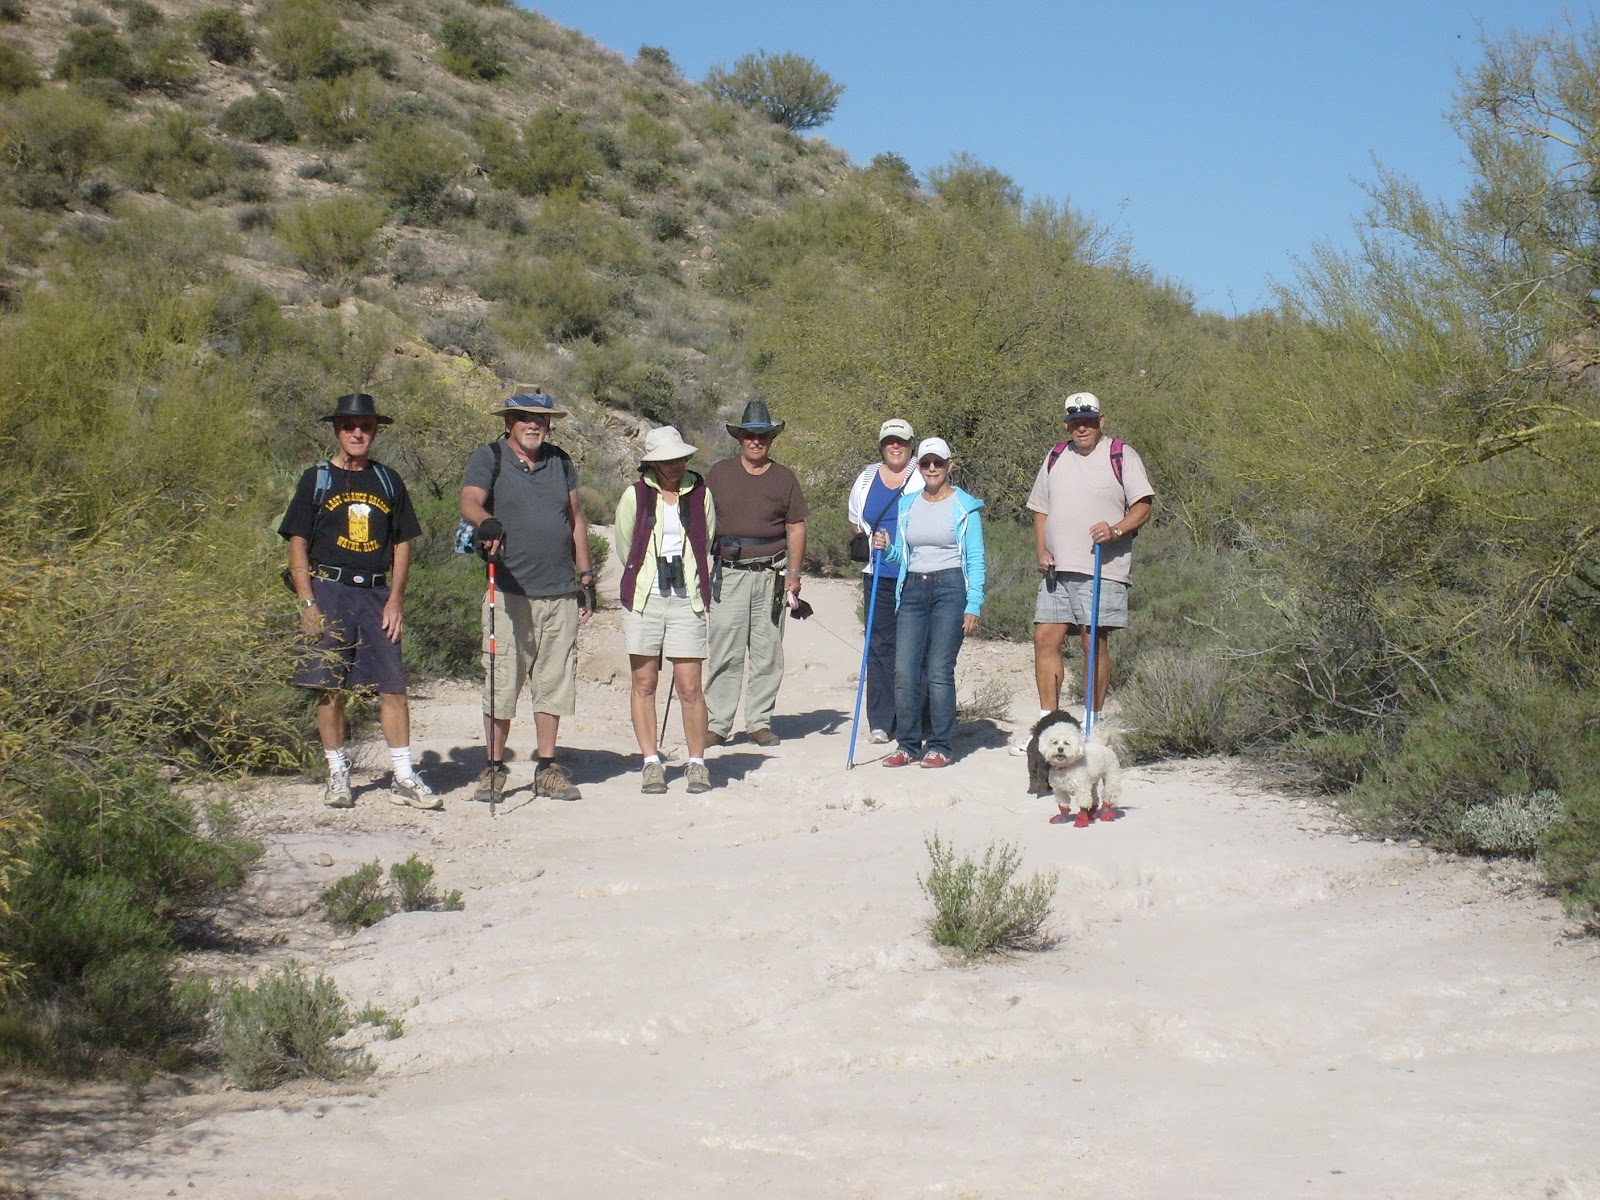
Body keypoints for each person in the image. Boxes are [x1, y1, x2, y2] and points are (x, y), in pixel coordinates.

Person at [279, 393, 437, 810]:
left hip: (375, 592)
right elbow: (297, 543)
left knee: (392, 686)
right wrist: (306, 604)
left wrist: (396, 600)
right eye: (349, 426)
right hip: (327, 590)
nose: (357, 433)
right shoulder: (316, 480)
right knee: (327, 686)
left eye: (365, 426)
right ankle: (337, 774)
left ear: (375, 431)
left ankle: (403, 775)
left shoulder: (388, 481)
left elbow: (402, 543)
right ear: (337, 430)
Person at [459, 390, 595, 805]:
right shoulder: (490, 457)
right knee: (502, 680)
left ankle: (546, 768)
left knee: (553, 682)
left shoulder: (561, 462)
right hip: (509, 591)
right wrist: (487, 523)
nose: (532, 424)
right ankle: (495, 768)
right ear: (509, 423)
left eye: (540, 418)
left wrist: (586, 576)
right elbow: (469, 500)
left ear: (550, 424)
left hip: (559, 591)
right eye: (523, 418)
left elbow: (574, 519)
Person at [1024, 391, 1154, 730]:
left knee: (1092, 640)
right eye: (1075, 422)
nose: (1081, 428)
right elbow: (1041, 508)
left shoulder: (1121, 454)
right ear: (1067, 424)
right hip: (1057, 569)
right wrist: (1041, 550)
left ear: (1101, 421)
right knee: (1045, 638)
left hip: (1102, 568)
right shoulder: (1055, 456)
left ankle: (1091, 725)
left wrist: (1116, 529)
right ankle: (1049, 726)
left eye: (1088, 421)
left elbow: (1142, 506)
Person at [614, 426, 718, 795]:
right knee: (644, 682)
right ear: (652, 463)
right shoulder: (635, 496)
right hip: (645, 597)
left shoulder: (700, 493)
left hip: (686, 595)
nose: (675, 465)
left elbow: (705, 538)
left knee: (690, 685)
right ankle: (651, 762)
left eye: (680, 458)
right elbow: (625, 545)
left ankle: (697, 763)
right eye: (666, 460)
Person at [873, 437, 986, 769]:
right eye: (925, 463)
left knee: (938, 670)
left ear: (950, 465)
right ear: (918, 467)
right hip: (912, 590)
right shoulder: (907, 503)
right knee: (904, 669)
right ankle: (907, 743)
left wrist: (974, 603)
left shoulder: (965, 505)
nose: (932, 469)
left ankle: (940, 744)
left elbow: (976, 559)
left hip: (951, 589)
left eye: (938, 463)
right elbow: (904, 554)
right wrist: (887, 548)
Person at [703, 400, 809, 748]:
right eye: (750, 435)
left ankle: (759, 722)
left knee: (767, 651)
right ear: (740, 438)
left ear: (771, 439)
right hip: (728, 574)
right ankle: (717, 724)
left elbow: (795, 527)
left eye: (762, 436)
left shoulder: (785, 478)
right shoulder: (718, 474)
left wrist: (793, 573)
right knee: (724, 650)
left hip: (772, 575)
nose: (756, 441)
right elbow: (701, 522)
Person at [847, 417, 923, 744]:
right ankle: (880, 720)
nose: (896, 446)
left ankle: (915, 718)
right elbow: (855, 522)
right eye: (890, 441)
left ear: (911, 445)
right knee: (879, 646)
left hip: (917, 573)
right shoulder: (865, 478)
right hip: (878, 574)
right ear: (881, 445)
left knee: (917, 647)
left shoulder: (924, 473)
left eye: (902, 441)